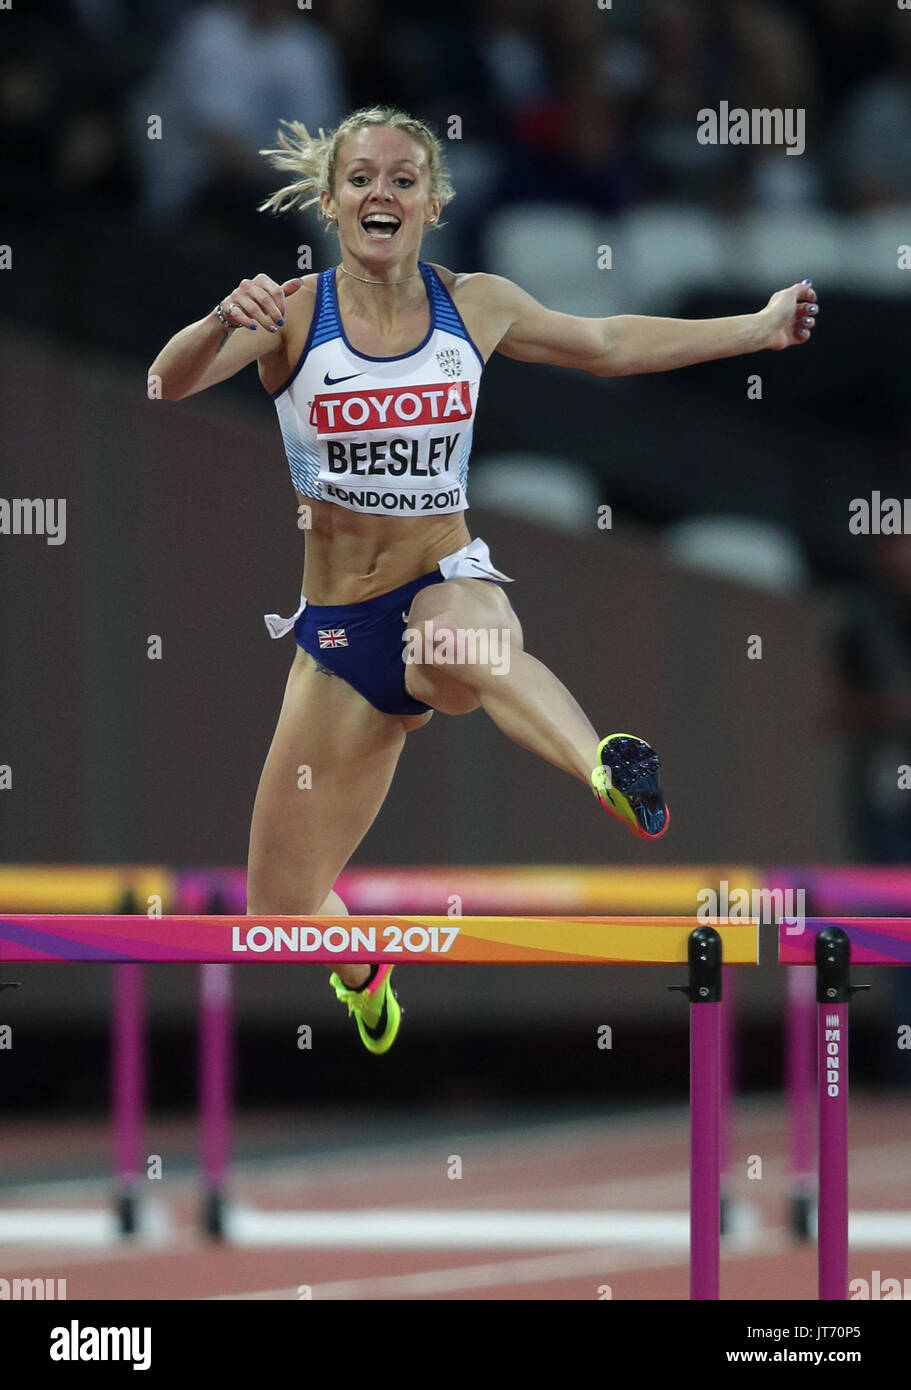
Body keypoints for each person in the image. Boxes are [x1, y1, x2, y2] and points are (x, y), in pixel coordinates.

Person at [148, 104, 819, 1055]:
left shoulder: (478, 304)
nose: (381, 191)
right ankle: (362, 969)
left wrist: (751, 331)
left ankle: (602, 764)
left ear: (432, 204)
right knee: (278, 912)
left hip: (437, 578)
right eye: (362, 178)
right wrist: (222, 313)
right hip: (338, 639)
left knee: (473, 640)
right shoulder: (294, 315)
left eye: (402, 179)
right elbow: (165, 385)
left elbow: (609, 345)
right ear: (333, 202)